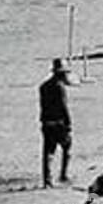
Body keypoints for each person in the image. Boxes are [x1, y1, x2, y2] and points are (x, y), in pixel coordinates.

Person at [39, 58, 72, 187]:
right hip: (59, 123)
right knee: (67, 147)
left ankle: (47, 180)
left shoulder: (43, 86)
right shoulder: (60, 87)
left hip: (46, 122)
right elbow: (63, 106)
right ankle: (63, 175)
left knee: (48, 152)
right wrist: (68, 123)